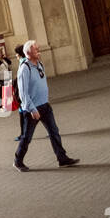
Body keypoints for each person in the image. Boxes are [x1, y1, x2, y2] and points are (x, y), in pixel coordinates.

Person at [14, 40, 79, 171]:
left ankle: (62, 159)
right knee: (27, 137)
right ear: (28, 53)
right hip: (33, 110)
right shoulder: (24, 69)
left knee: (54, 132)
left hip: (45, 106)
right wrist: (32, 109)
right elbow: (23, 93)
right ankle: (18, 161)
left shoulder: (39, 64)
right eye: (36, 49)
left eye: (38, 48)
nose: (39, 51)